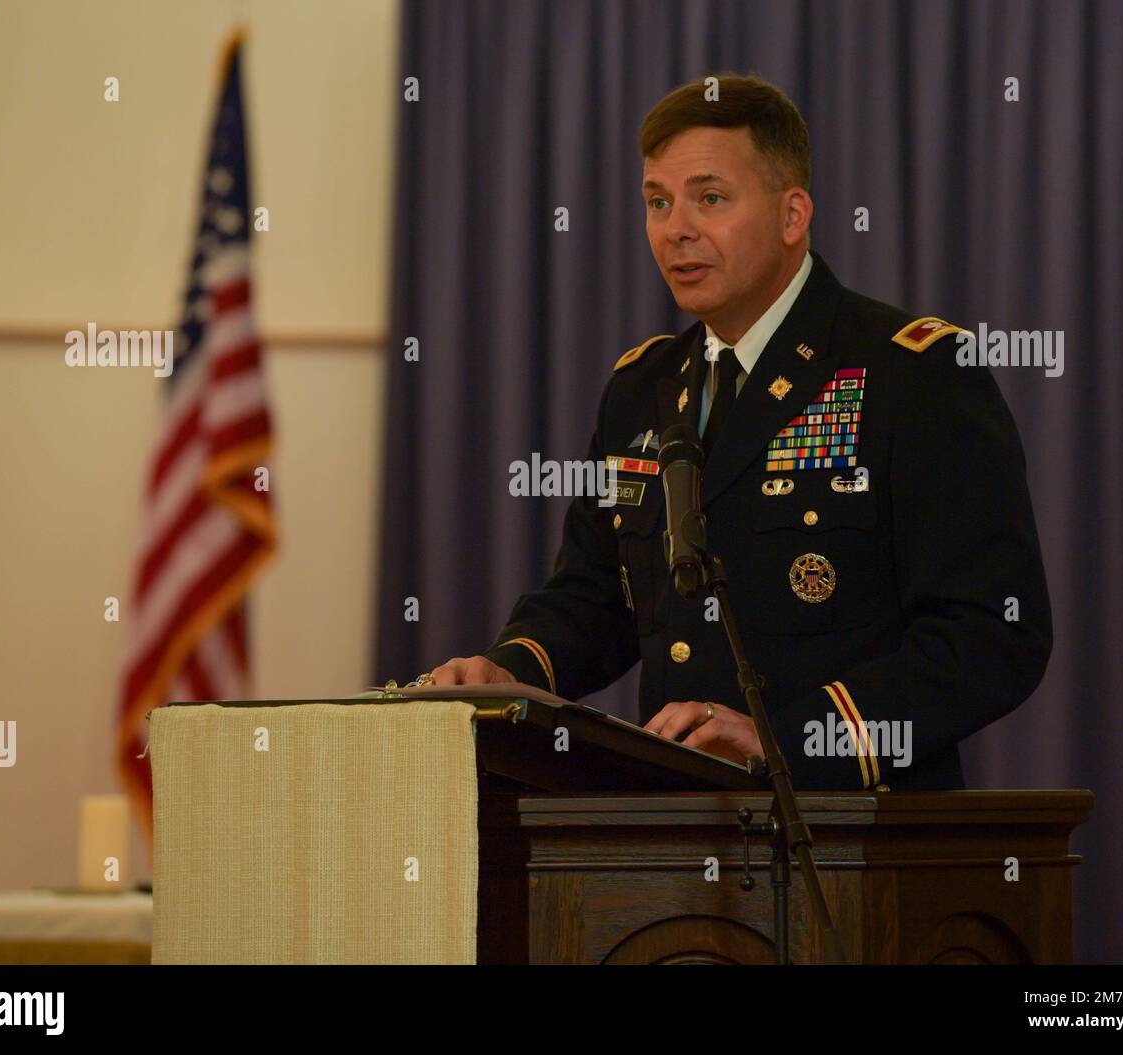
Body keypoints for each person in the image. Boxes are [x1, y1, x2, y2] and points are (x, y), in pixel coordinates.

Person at [426, 74, 1051, 791]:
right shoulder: (642, 390)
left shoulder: (912, 374)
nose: (676, 229)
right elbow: (597, 598)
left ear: (793, 215)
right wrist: (510, 670)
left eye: (710, 198)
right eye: (657, 202)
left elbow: (993, 633)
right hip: (672, 842)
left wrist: (783, 741)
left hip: (855, 846)